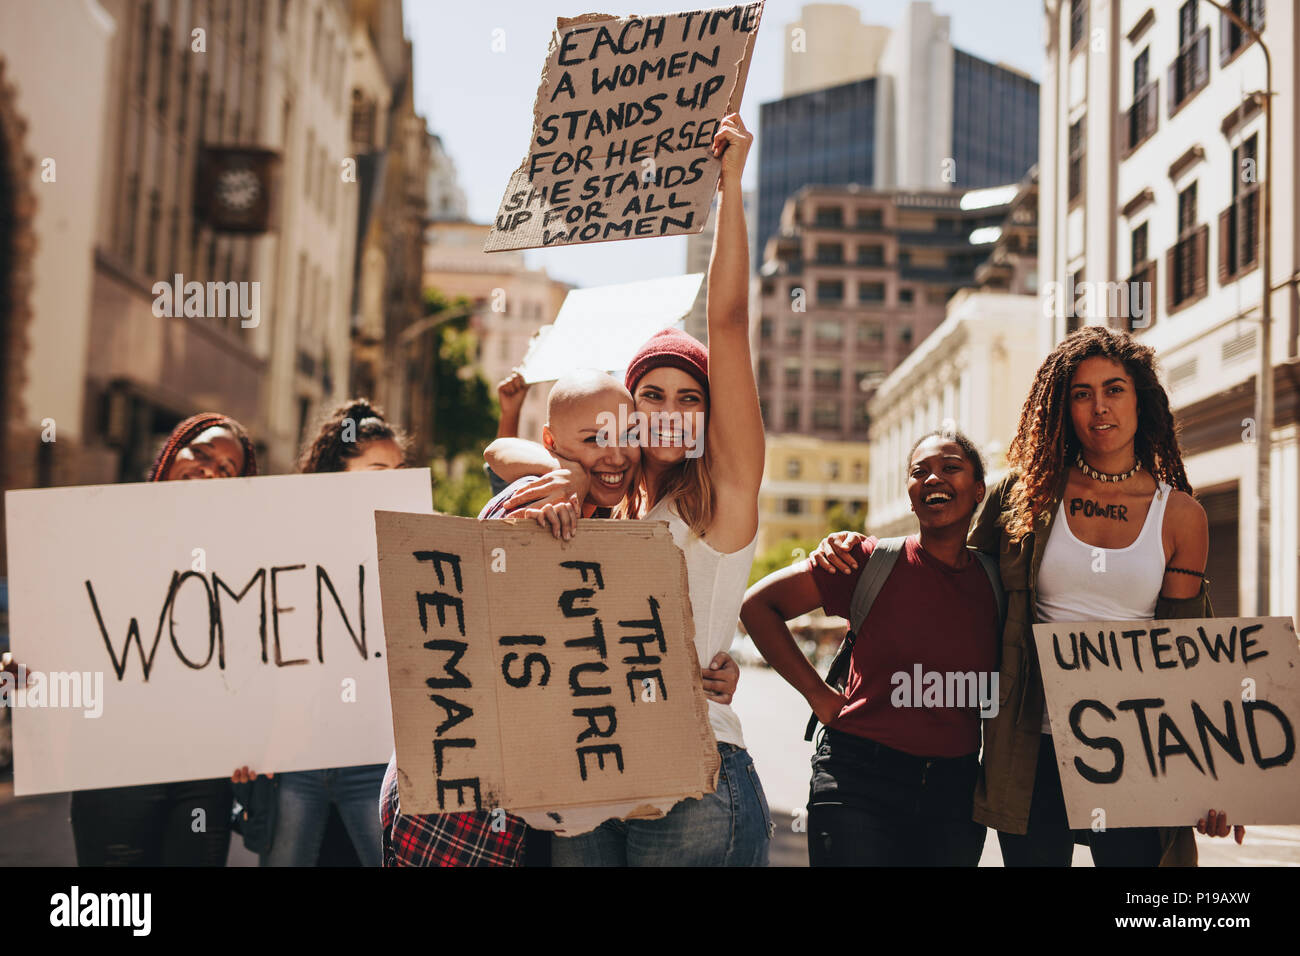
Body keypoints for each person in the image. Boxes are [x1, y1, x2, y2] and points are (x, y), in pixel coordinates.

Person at [817, 326, 1246, 864]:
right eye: (1081, 394)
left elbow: (1188, 647)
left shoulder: (1181, 515)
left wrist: (1218, 772)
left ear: (1142, 399)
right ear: (1063, 407)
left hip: (1137, 748)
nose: (1099, 407)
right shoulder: (1025, 493)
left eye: (1114, 389)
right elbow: (953, 577)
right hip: (1030, 742)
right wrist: (856, 550)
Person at [482, 113, 772, 866]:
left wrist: (731, 184)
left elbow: (731, 325)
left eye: (690, 397)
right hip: (589, 779)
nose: (672, 410)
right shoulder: (606, 505)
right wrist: (566, 474)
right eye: (653, 395)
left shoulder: (723, 500)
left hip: (694, 778)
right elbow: (501, 451)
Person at [744, 432, 999, 866]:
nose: (933, 477)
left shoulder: (998, 581)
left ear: (979, 490)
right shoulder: (864, 560)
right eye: (920, 472)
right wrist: (818, 695)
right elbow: (757, 606)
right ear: (911, 495)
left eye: (951, 467)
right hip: (857, 780)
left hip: (954, 792)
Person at [68, 412, 258, 866]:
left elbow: (257, 663)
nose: (210, 469)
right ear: (172, 452)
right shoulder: (100, 531)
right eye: (202, 452)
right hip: (112, 766)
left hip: (202, 774)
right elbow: (70, 632)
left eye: (227, 469)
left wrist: (256, 736)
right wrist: (30, 667)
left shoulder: (246, 562)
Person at [232, 400, 407, 867]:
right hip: (296, 759)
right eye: (376, 469)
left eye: (397, 469)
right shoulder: (289, 540)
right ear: (339, 470)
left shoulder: (406, 546)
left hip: (375, 757)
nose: (390, 480)